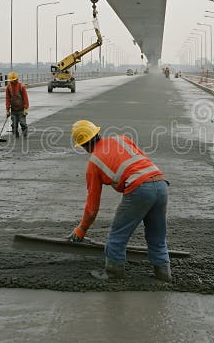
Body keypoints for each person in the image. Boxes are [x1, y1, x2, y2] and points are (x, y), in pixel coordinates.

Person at [68, 120, 171, 282]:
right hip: (161, 184)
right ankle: (164, 275)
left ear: (83, 145)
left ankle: (113, 273)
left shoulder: (94, 162)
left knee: (117, 235)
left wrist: (81, 230)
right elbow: (141, 160)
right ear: (97, 133)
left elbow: (92, 208)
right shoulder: (121, 139)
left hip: (140, 190)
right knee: (157, 236)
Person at [5, 72, 29, 137]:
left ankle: (25, 133)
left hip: (21, 109)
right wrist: (7, 110)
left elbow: (25, 98)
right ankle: (15, 135)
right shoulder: (8, 88)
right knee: (14, 125)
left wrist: (26, 108)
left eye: (13, 80)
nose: (12, 82)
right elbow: (7, 99)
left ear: (16, 79)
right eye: (11, 81)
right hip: (13, 110)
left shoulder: (21, 86)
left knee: (22, 123)